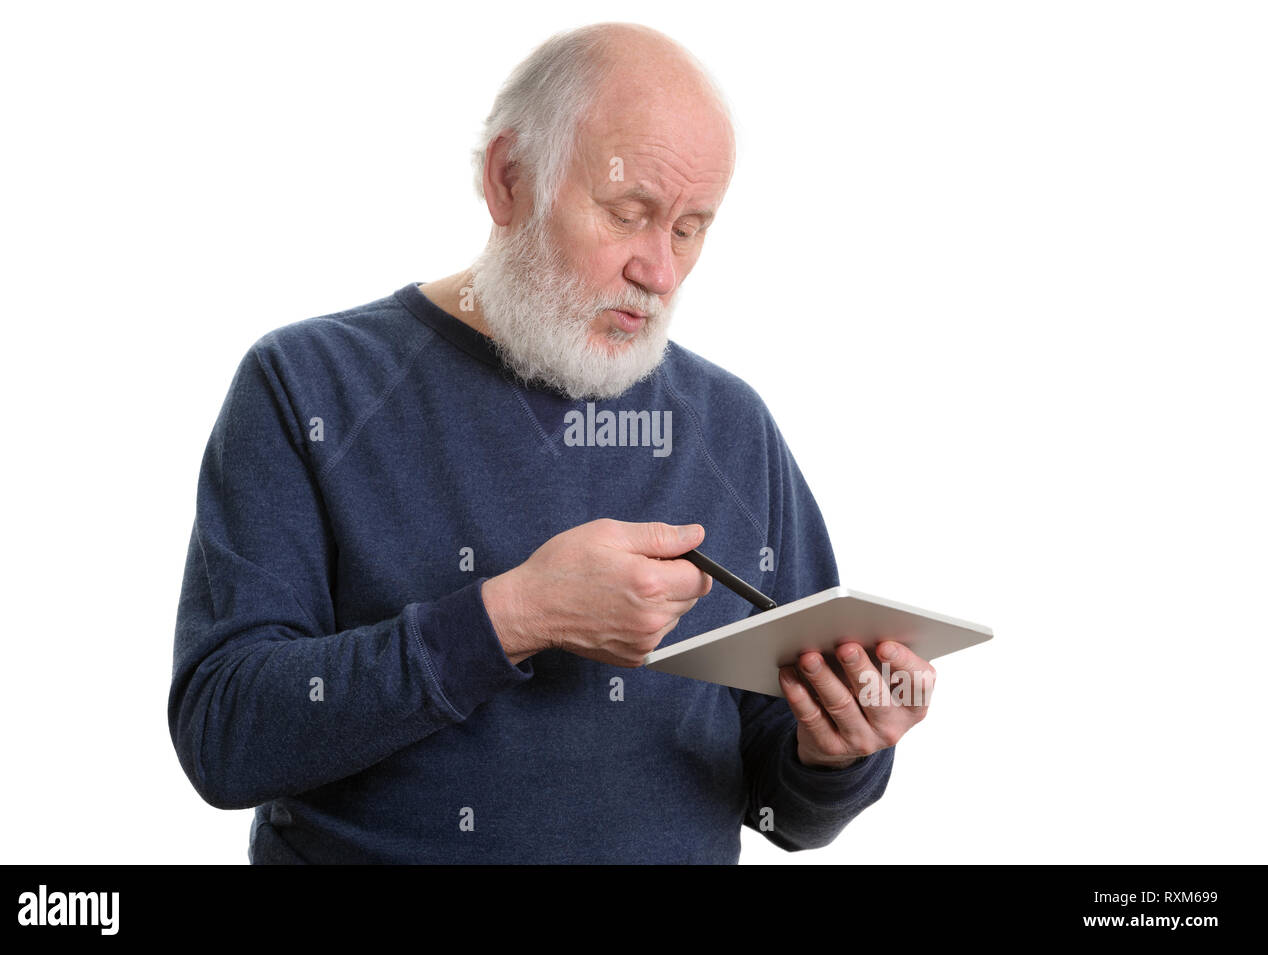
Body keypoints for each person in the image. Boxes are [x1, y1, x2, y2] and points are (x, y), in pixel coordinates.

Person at [168, 21, 935, 864]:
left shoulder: (730, 426)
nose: (661, 271)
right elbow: (224, 735)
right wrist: (513, 616)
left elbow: (784, 809)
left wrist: (839, 754)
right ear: (508, 180)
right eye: (630, 213)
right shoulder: (307, 385)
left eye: (689, 229)